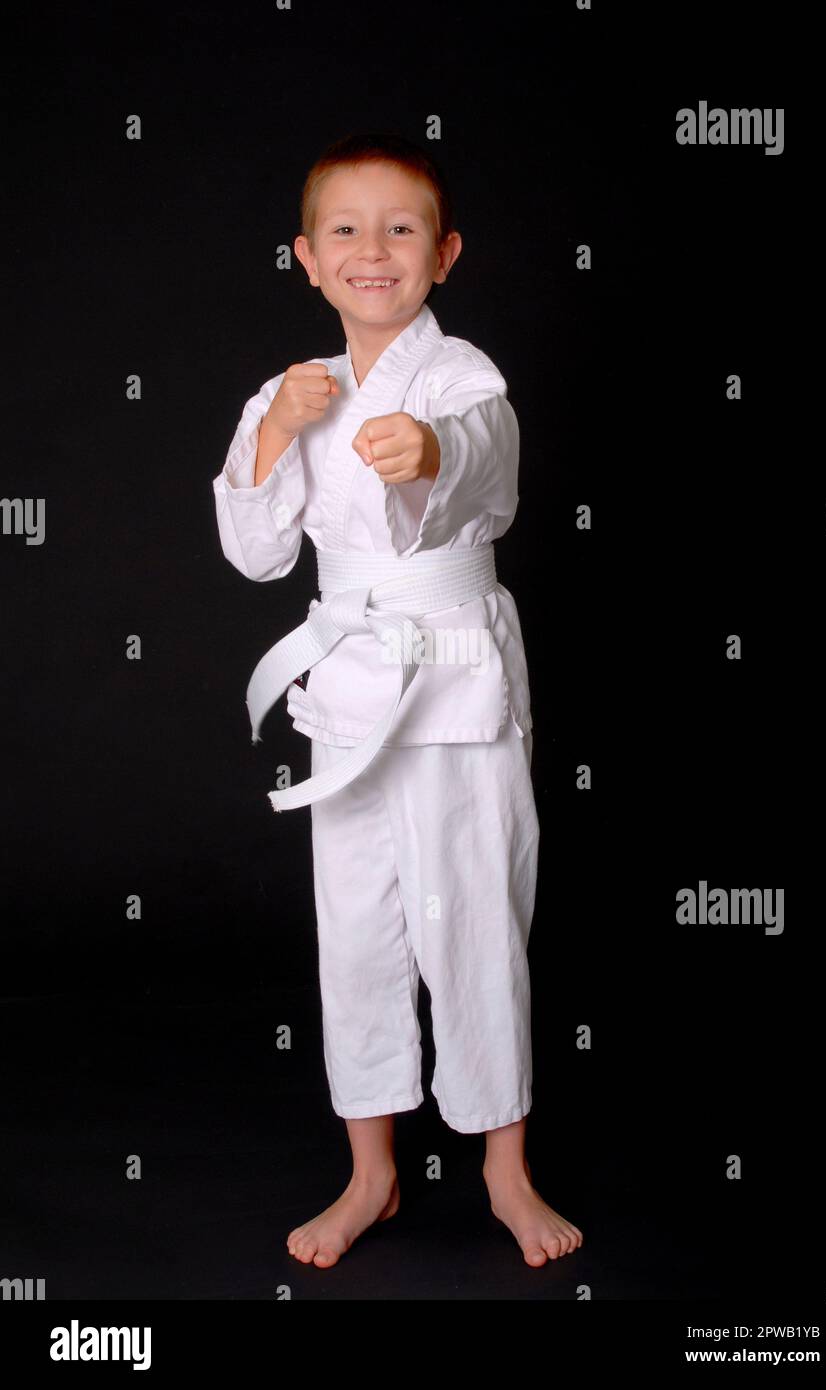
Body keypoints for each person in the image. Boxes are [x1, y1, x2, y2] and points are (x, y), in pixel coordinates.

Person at [212, 131, 582, 1268]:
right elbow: (253, 551)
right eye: (345, 231)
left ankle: (505, 1171)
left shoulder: (462, 376)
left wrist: (429, 450)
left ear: (446, 252)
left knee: (475, 918)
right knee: (359, 933)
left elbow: (495, 461)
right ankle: (371, 1173)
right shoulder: (290, 392)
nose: (374, 249)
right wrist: (276, 434)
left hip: (457, 676)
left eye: (403, 228)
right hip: (354, 687)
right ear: (307, 260)